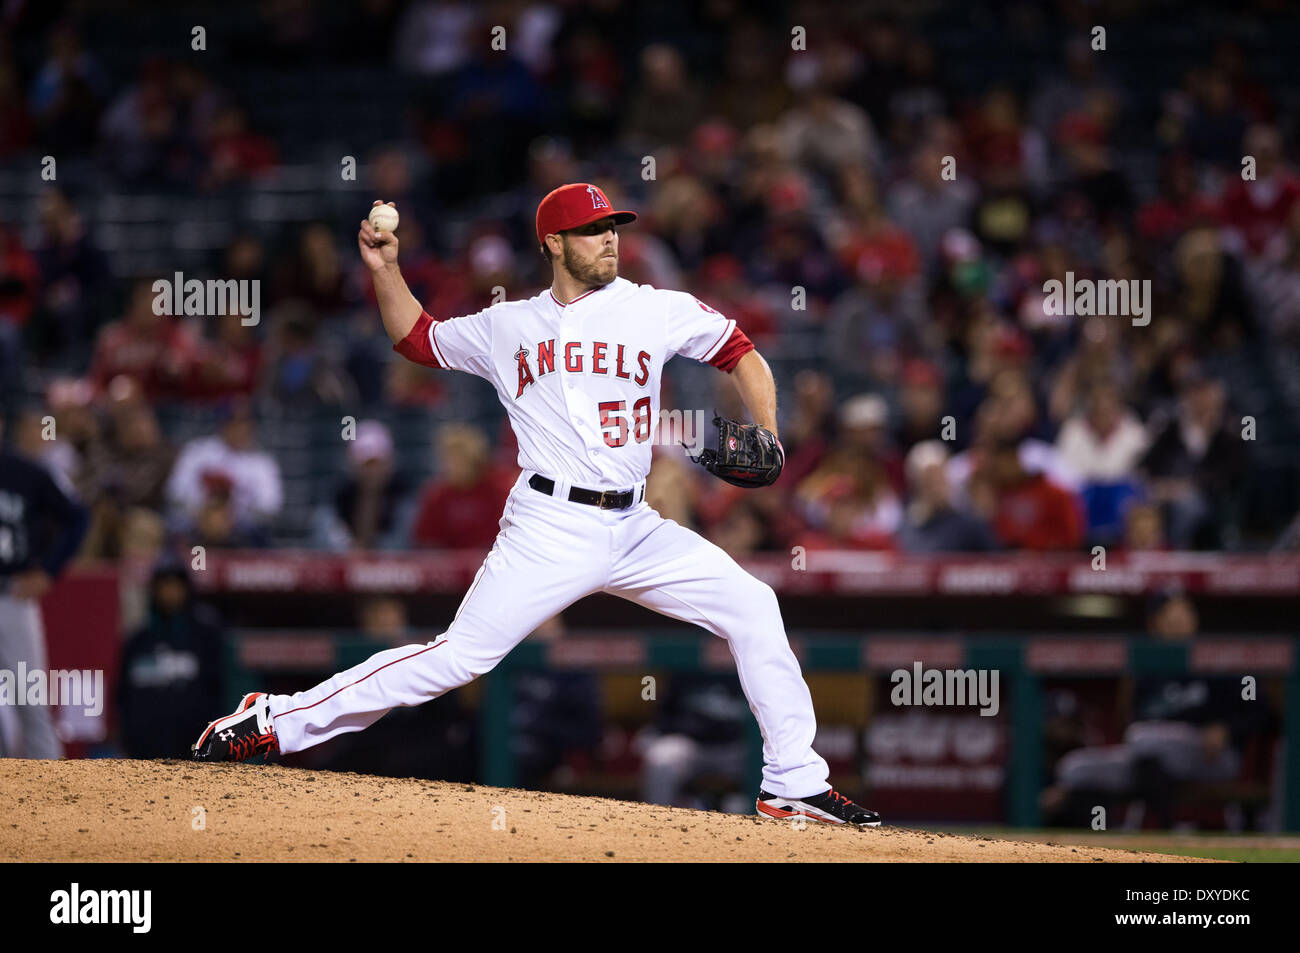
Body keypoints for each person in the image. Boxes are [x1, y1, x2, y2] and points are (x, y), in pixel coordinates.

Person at [192, 183, 881, 827]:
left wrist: (769, 432)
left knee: (753, 603)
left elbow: (741, 352)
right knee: (458, 659)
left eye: (612, 228)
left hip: (636, 523)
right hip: (550, 525)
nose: (609, 239)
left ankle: (793, 782)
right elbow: (418, 339)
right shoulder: (509, 324)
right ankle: (274, 719)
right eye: (591, 230)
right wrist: (386, 269)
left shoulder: (653, 306)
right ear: (553, 243)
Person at [0, 415, 89, 758]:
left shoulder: (26, 472)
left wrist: (49, 571)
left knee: (30, 699)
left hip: (12, 595)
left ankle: (52, 787)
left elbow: (78, 517)